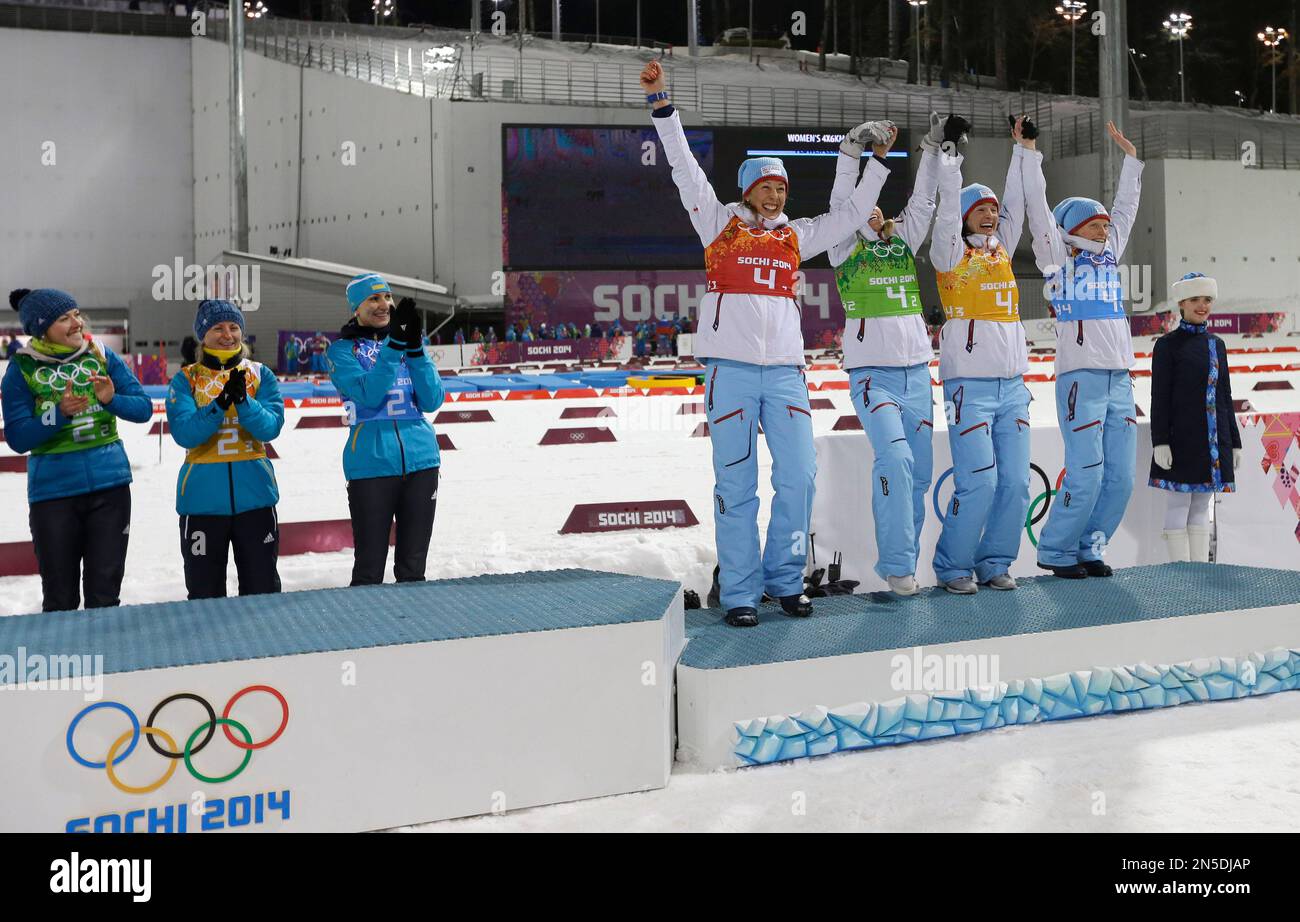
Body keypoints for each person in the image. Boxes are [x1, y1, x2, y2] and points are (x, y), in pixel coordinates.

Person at [641, 59, 892, 627]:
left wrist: (875, 163)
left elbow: (850, 213)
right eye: (766, 187)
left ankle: (784, 580)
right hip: (729, 372)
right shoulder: (718, 224)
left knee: (799, 475)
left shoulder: (796, 237)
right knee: (735, 483)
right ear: (748, 190)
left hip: (784, 373)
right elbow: (682, 167)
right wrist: (662, 105)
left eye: (781, 188)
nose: (776, 196)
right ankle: (739, 592)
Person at [830, 113, 947, 596]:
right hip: (872, 377)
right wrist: (853, 154)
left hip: (918, 375)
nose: (869, 213)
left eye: (876, 209)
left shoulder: (902, 243)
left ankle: (907, 563)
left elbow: (924, 200)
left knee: (917, 477)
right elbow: (842, 204)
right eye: (863, 210)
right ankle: (896, 564)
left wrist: (935, 151)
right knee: (895, 461)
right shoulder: (841, 248)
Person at [1023, 119, 1142, 578]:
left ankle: (1092, 547)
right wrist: (1031, 155)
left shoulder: (1110, 252)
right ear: (1073, 229)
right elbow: (1037, 208)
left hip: (1120, 376)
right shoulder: (1057, 259)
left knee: (1121, 479)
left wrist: (1131, 163)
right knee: (1087, 473)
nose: (1104, 230)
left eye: (1104, 226)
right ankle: (1055, 550)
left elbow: (1127, 210)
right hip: (1081, 378)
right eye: (1095, 225)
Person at [929, 114, 1033, 594]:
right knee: (980, 483)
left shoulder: (1004, 250)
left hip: (1012, 386)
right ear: (966, 215)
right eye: (982, 209)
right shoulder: (949, 255)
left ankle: (995, 562)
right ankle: (952, 566)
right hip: (968, 385)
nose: (992, 215)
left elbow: (1018, 201)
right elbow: (947, 212)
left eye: (993, 210)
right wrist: (952, 161)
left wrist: (1022, 150)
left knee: (1014, 484)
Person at [2, 288, 152, 611]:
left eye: (76, 314)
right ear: (42, 328)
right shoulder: (22, 368)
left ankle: (107, 661)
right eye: (64, 318)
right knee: (60, 599)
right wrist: (58, 413)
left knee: (104, 596)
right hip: (53, 495)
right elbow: (17, 437)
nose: (76, 323)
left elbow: (142, 409)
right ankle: (66, 663)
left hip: (110, 489)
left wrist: (112, 400)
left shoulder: (100, 354)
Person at [326, 274, 445, 585]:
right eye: (373, 299)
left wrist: (416, 349)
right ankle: (366, 631)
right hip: (371, 465)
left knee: (413, 569)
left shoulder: (409, 345)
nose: (384, 305)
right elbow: (369, 394)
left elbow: (432, 399)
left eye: (388, 297)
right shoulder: (341, 350)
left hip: (422, 461)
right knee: (369, 568)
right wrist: (395, 345)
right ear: (356, 308)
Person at [166, 300, 284, 599]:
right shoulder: (186, 379)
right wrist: (219, 404)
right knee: (204, 593)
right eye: (217, 328)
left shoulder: (260, 374)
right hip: (202, 503)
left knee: (262, 589)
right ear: (202, 335)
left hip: (256, 498)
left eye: (234, 327)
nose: (227, 334)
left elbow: (270, 428)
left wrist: (243, 401)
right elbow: (186, 434)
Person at [1149, 273, 1240, 563]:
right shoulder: (1166, 346)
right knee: (1178, 503)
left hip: (1213, 440)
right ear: (1182, 304)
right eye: (1195, 300)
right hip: (1182, 439)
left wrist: (1233, 442)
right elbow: (1160, 396)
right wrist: (1160, 441)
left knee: (1202, 505)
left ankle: (1200, 573)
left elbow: (1225, 395)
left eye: (1207, 300)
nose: (1202, 305)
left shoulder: (1217, 345)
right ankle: (1180, 575)